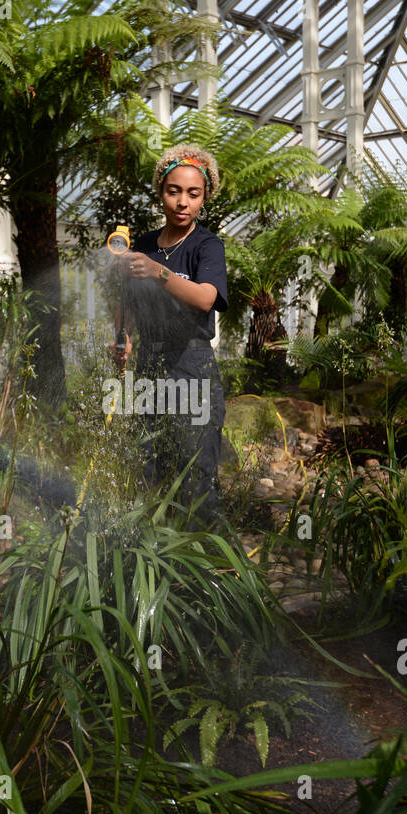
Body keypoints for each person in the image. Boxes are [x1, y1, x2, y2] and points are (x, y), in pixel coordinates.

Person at [112, 144, 229, 529]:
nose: (182, 202)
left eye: (193, 194)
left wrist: (159, 273)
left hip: (191, 366)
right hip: (150, 366)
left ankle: (202, 572)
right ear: (161, 191)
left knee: (195, 471)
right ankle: (152, 570)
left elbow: (206, 297)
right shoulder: (143, 245)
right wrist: (123, 335)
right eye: (173, 191)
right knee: (150, 465)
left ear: (204, 197)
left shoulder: (205, 245)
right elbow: (127, 298)